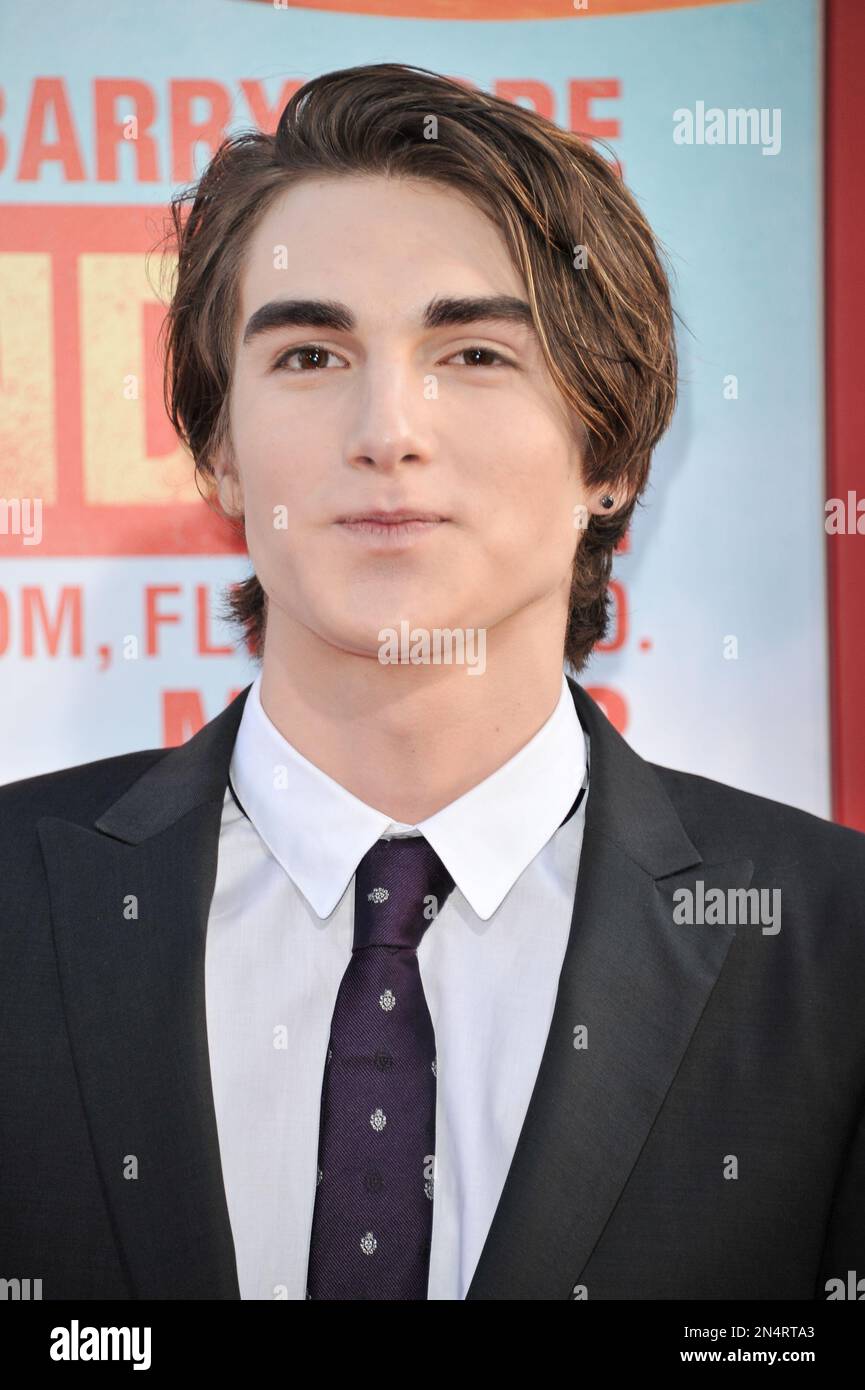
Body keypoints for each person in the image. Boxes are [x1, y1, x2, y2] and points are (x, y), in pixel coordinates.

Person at [1, 62, 863, 1302]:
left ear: (607, 451)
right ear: (218, 452)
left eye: (470, 351)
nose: (386, 426)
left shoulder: (834, 944)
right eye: (307, 353)